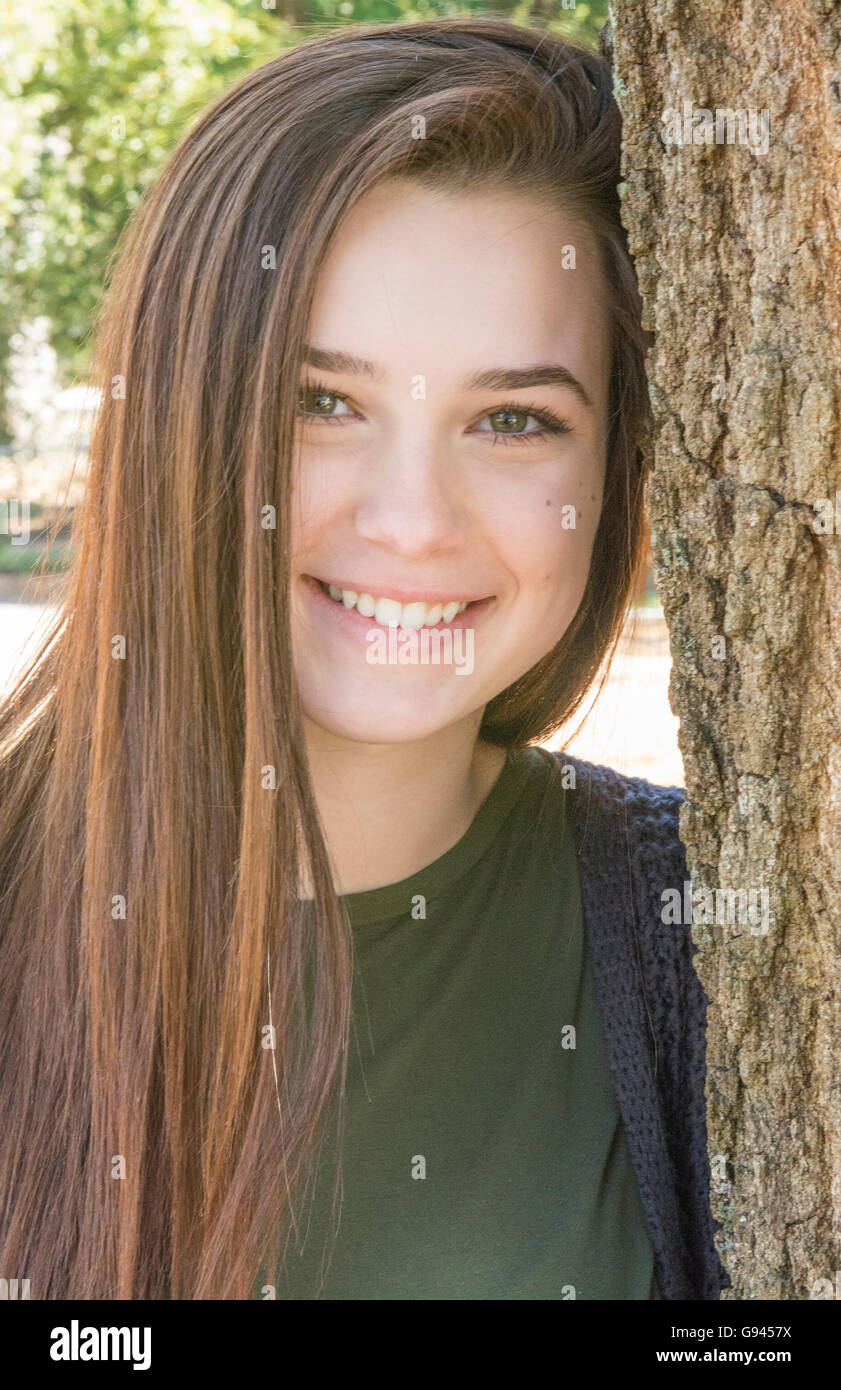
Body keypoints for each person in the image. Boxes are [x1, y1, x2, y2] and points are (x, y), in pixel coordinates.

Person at [0, 16, 730, 1301]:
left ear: (614, 473)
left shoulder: (706, 938)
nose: (410, 521)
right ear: (185, 415)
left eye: (514, 419)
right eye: (320, 401)